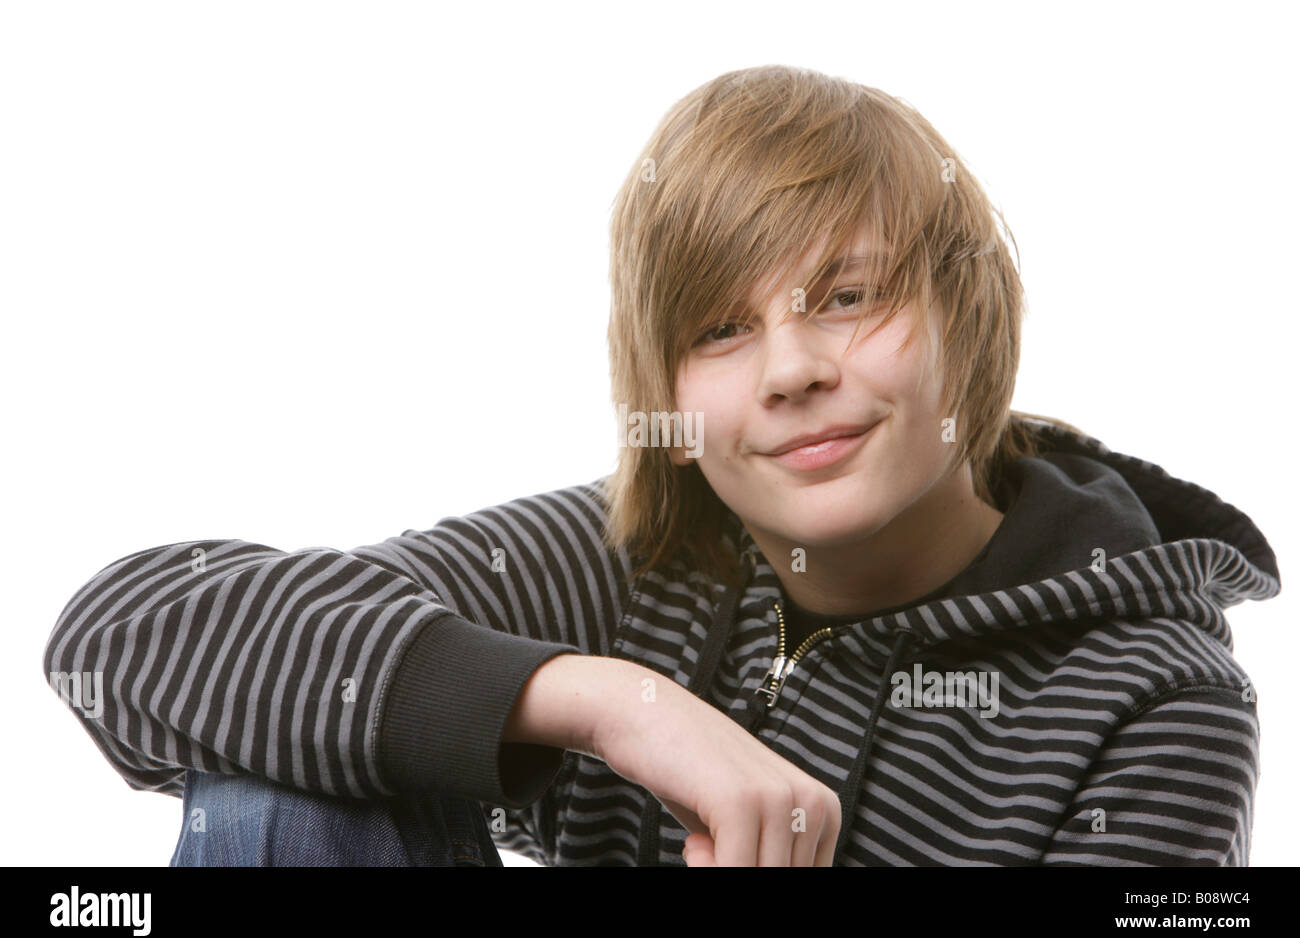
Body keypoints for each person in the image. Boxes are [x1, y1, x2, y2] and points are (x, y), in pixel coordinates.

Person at [44, 64, 1280, 867]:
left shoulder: (1157, 696)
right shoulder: (639, 563)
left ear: (969, 313)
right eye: (719, 330)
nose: (789, 369)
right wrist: (608, 702)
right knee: (296, 758)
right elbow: (123, 631)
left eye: (847, 297)